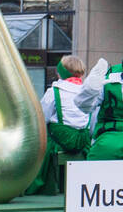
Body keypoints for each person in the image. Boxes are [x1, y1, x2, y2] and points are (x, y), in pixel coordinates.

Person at [30, 56, 92, 193]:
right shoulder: (89, 93)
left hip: (59, 141)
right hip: (83, 142)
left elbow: (42, 118)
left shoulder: (54, 92)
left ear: (61, 72)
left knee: (44, 133)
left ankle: (43, 183)